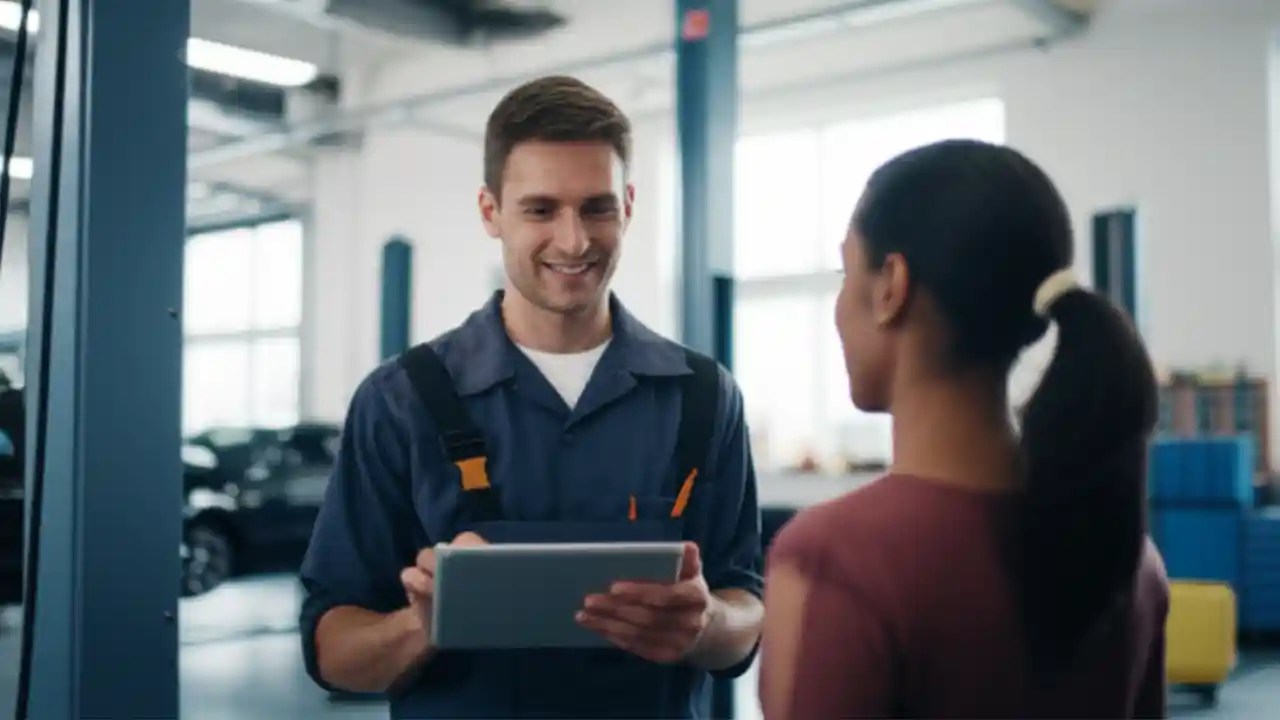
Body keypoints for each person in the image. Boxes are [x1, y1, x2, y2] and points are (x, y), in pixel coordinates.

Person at [299, 75, 764, 720]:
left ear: (628, 205)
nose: (574, 241)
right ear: (491, 212)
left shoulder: (705, 398)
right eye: (541, 209)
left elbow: (746, 606)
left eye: (597, 207)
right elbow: (333, 650)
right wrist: (424, 625)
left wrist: (706, 621)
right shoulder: (401, 401)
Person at [758, 140, 1169, 719]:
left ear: (890, 287)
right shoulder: (1129, 561)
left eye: (845, 271)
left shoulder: (836, 556)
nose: (837, 305)